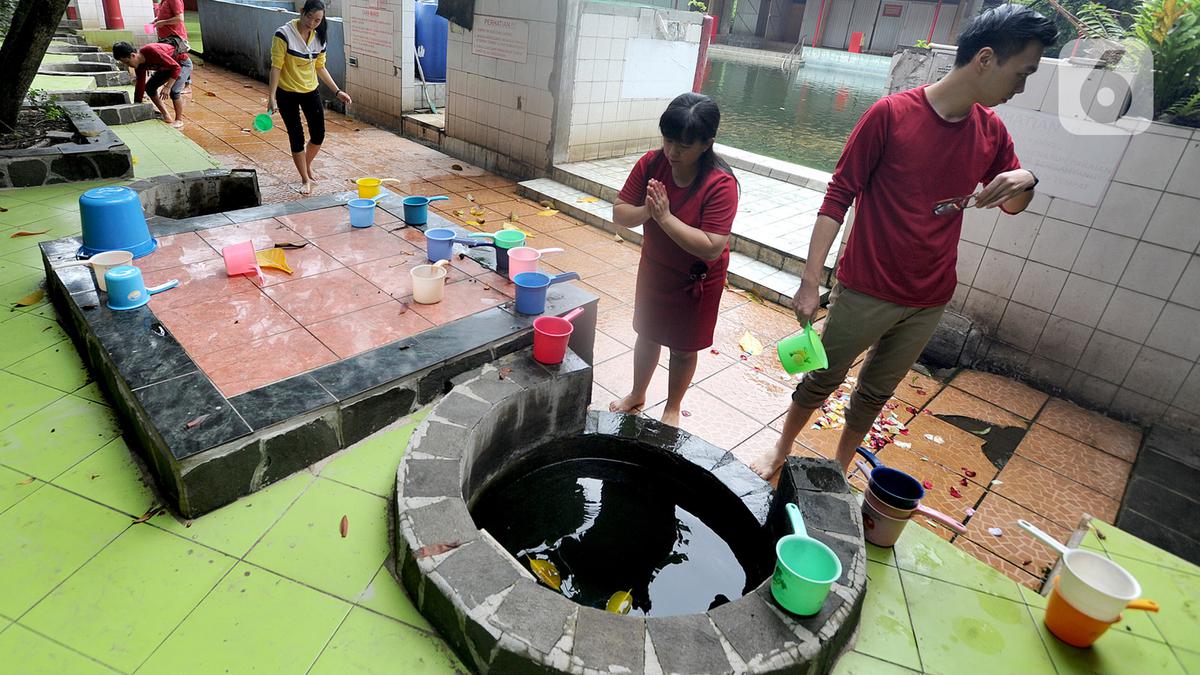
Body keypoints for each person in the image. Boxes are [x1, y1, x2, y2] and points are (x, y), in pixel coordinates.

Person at [750, 4, 1057, 479]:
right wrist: (811, 283)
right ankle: (782, 446)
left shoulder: (990, 131)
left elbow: (1013, 205)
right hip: (866, 289)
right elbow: (838, 198)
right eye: (1022, 73)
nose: (1021, 87)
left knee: (875, 392)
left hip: (929, 297)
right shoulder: (890, 116)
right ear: (985, 59)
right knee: (823, 377)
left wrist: (1026, 177)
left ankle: (839, 464)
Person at [609, 92, 739, 427]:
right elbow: (620, 213)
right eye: (668, 140)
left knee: (683, 347)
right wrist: (648, 212)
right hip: (656, 268)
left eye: (683, 145)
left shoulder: (720, 184)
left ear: (707, 143)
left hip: (696, 279)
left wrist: (664, 218)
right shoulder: (652, 164)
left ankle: (672, 407)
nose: (672, 152)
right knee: (647, 333)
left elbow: (711, 246)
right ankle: (638, 393)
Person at [268, 0, 352, 195]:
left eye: (317, 20)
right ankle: (305, 178)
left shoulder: (320, 37)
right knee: (296, 136)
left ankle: (306, 165)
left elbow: (320, 66)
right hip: (286, 92)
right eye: (309, 17)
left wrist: (337, 91)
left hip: (310, 90)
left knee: (318, 134)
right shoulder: (283, 34)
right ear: (301, 11)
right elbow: (276, 67)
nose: (312, 23)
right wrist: (271, 97)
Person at [113, 41, 191, 129]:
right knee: (150, 87)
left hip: (181, 64)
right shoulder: (139, 65)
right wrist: (136, 104)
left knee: (174, 91)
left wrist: (167, 86)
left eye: (127, 62)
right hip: (166, 68)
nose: (128, 66)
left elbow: (176, 68)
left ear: (133, 55)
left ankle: (179, 119)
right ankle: (166, 114)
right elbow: (140, 84)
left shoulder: (152, 50)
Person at [151, 0, 190, 94]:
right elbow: (167, 14)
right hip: (167, 38)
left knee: (182, 61)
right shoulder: (164, 1)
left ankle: (186, 85)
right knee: (176, 61)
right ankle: (177, 83)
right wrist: (157, 20)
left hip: (176, 38)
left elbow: (179, 18)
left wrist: (163, 22)